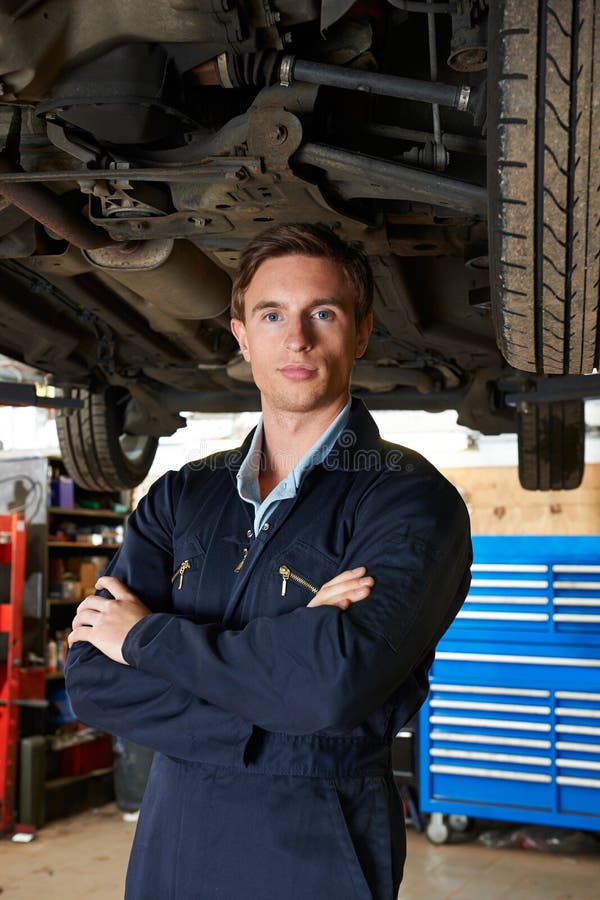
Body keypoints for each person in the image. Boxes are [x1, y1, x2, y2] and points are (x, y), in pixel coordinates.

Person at [66, 223, 471, 900]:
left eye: (324, 314)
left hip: (314, 847)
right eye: (273, 315)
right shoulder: (179, 495)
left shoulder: (409, 501)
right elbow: (91, 680)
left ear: (362, 333)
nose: (298, 338)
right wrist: (283, 667)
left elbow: (330, 686)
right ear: (242, 335)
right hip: (171, 845)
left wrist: (142, 638)